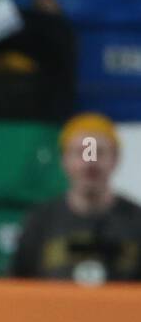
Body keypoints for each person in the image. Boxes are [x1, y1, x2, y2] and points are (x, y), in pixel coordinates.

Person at [9, 112, 141, 282]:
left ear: (115, 158)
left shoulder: (136, 221)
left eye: (99, 153)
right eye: (81, 153)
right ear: (64, 160)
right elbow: (18, 286)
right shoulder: (40, 221)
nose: (90, 163)